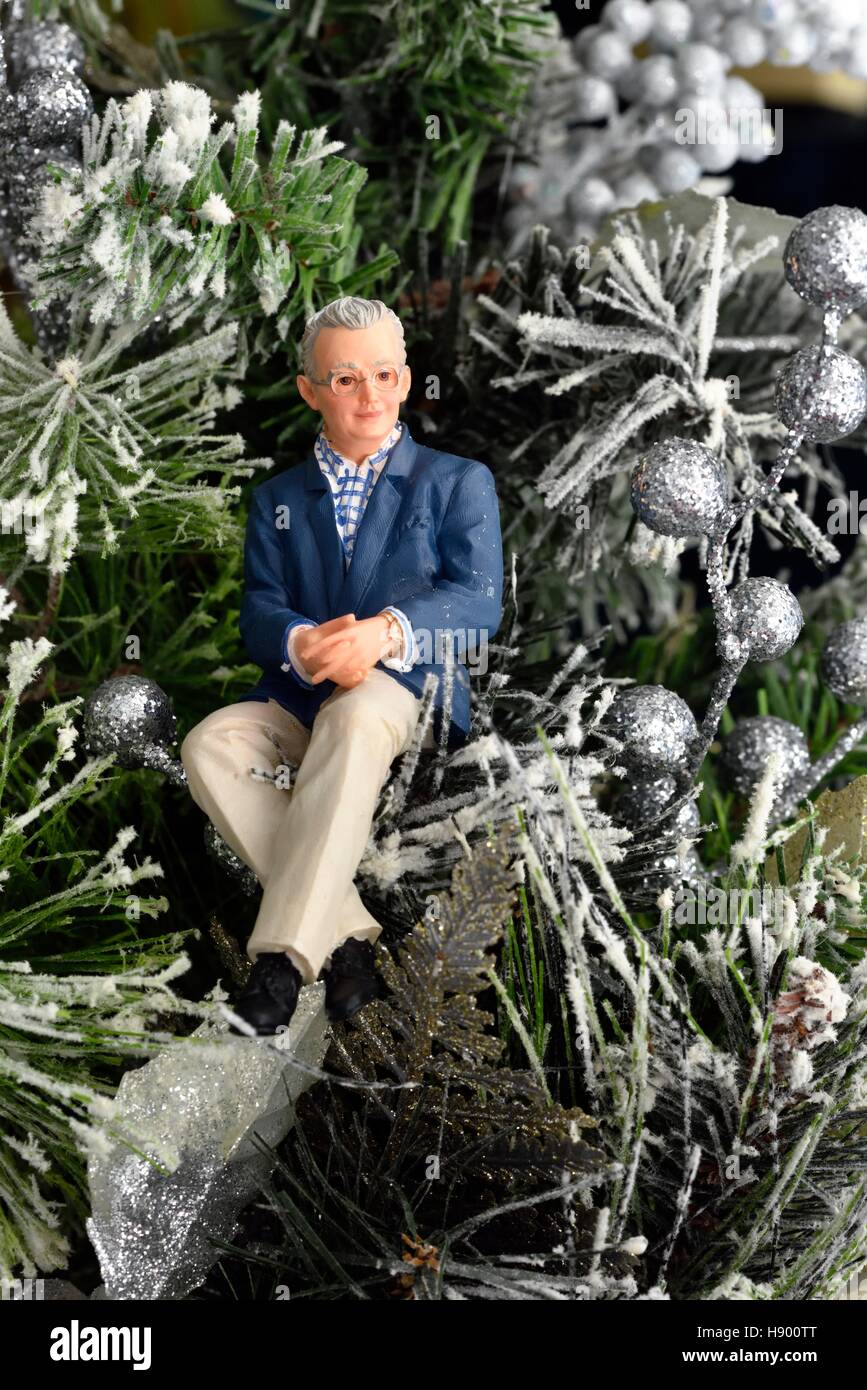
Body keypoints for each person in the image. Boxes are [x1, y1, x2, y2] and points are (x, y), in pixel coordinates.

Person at [180, 295, 503, 1034]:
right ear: (309, 391)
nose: (369, 396)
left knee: (357, 717)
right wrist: (300, 640)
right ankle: (350, 940)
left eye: (384, 376)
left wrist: (386, 633)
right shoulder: (278, 500)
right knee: (210, 744)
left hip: (404, 694)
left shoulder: (455, 482)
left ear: (406, 380)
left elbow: (479, 603)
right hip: (300, 699)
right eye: (346, 379)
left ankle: (281, 961)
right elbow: (259, 610)